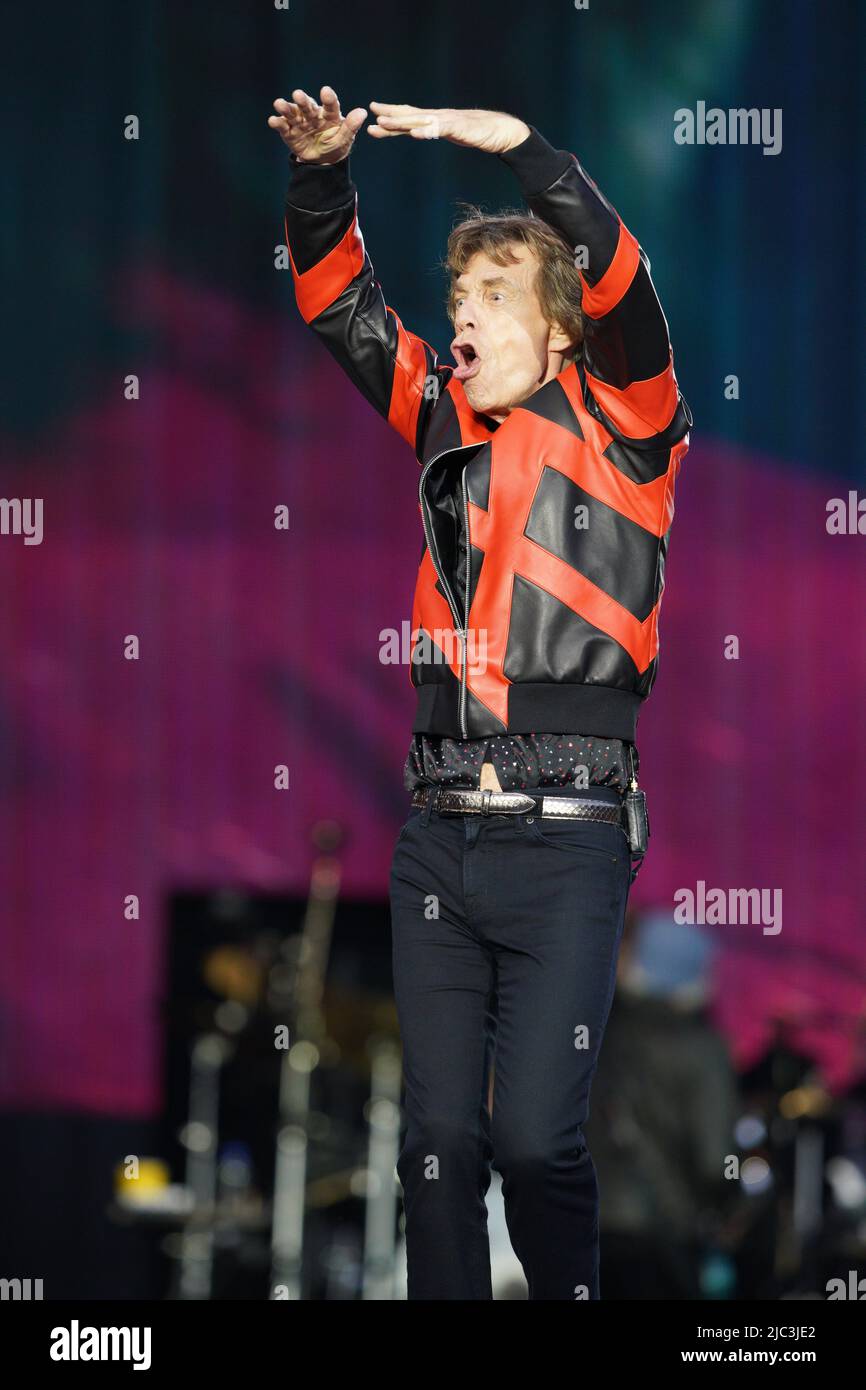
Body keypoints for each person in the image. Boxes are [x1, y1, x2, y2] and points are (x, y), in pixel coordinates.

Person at [270, 86, 692, 1299]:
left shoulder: (629, 418)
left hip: (565, 844)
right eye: (455, 300)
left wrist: (519, 147)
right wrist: (319, 174)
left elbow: (618, 274)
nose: (459, 318)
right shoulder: (445, 419)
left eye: (491, 300)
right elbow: (337, 304)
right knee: (438, 1152)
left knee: (530, 1142)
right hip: (437, 843)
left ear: (560, 334)